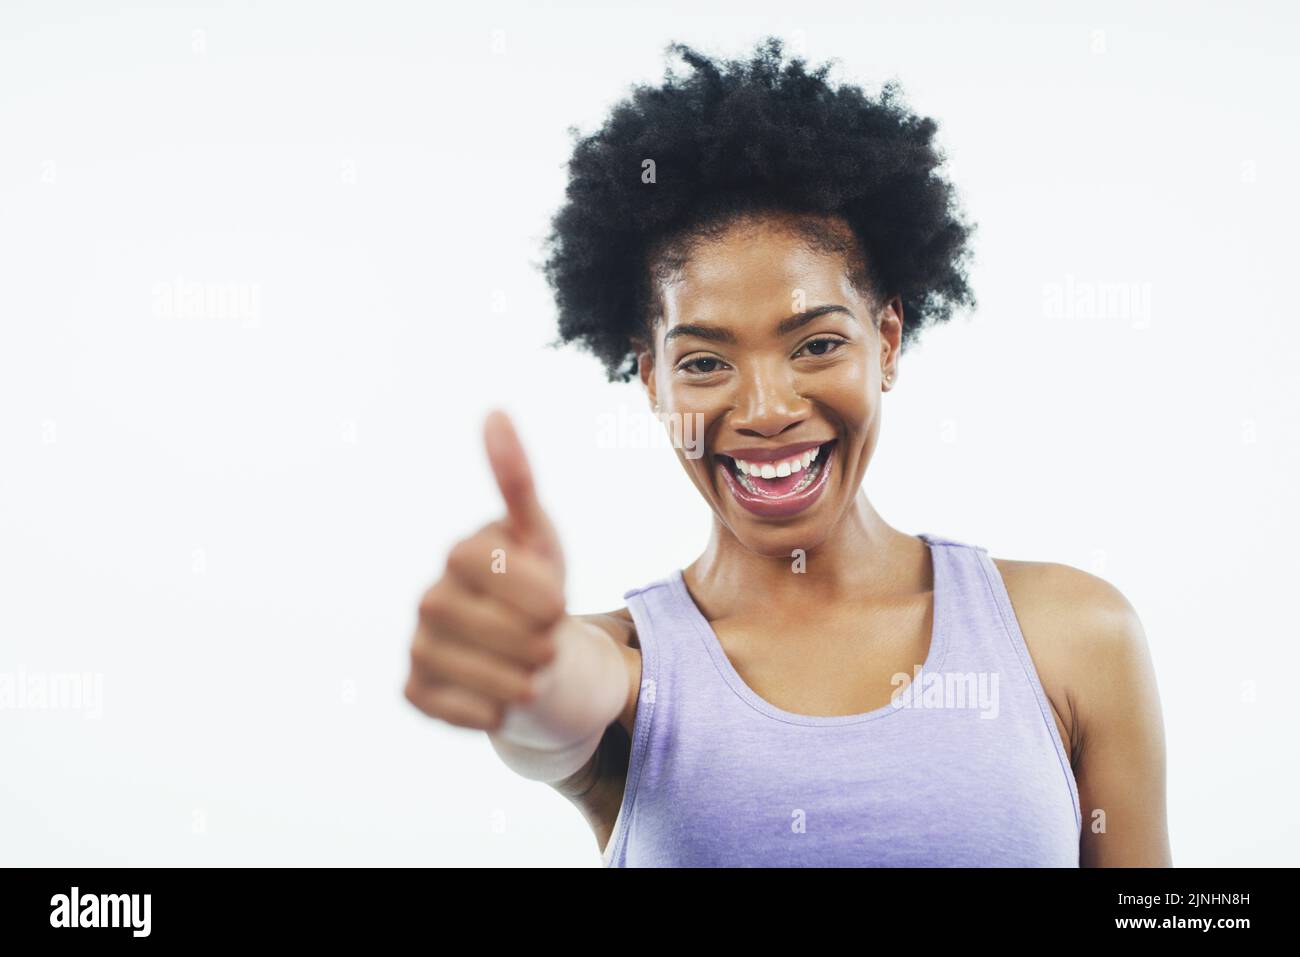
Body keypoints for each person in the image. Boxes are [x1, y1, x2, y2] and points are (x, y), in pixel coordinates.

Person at [404, 37, 1170, 867]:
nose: (766, 409)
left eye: (814, 345)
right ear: (651, 379)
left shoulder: (1072, 633)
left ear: (886, 340)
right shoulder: (627, 664)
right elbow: (551, 708)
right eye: (704, 361)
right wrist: (524, 663)